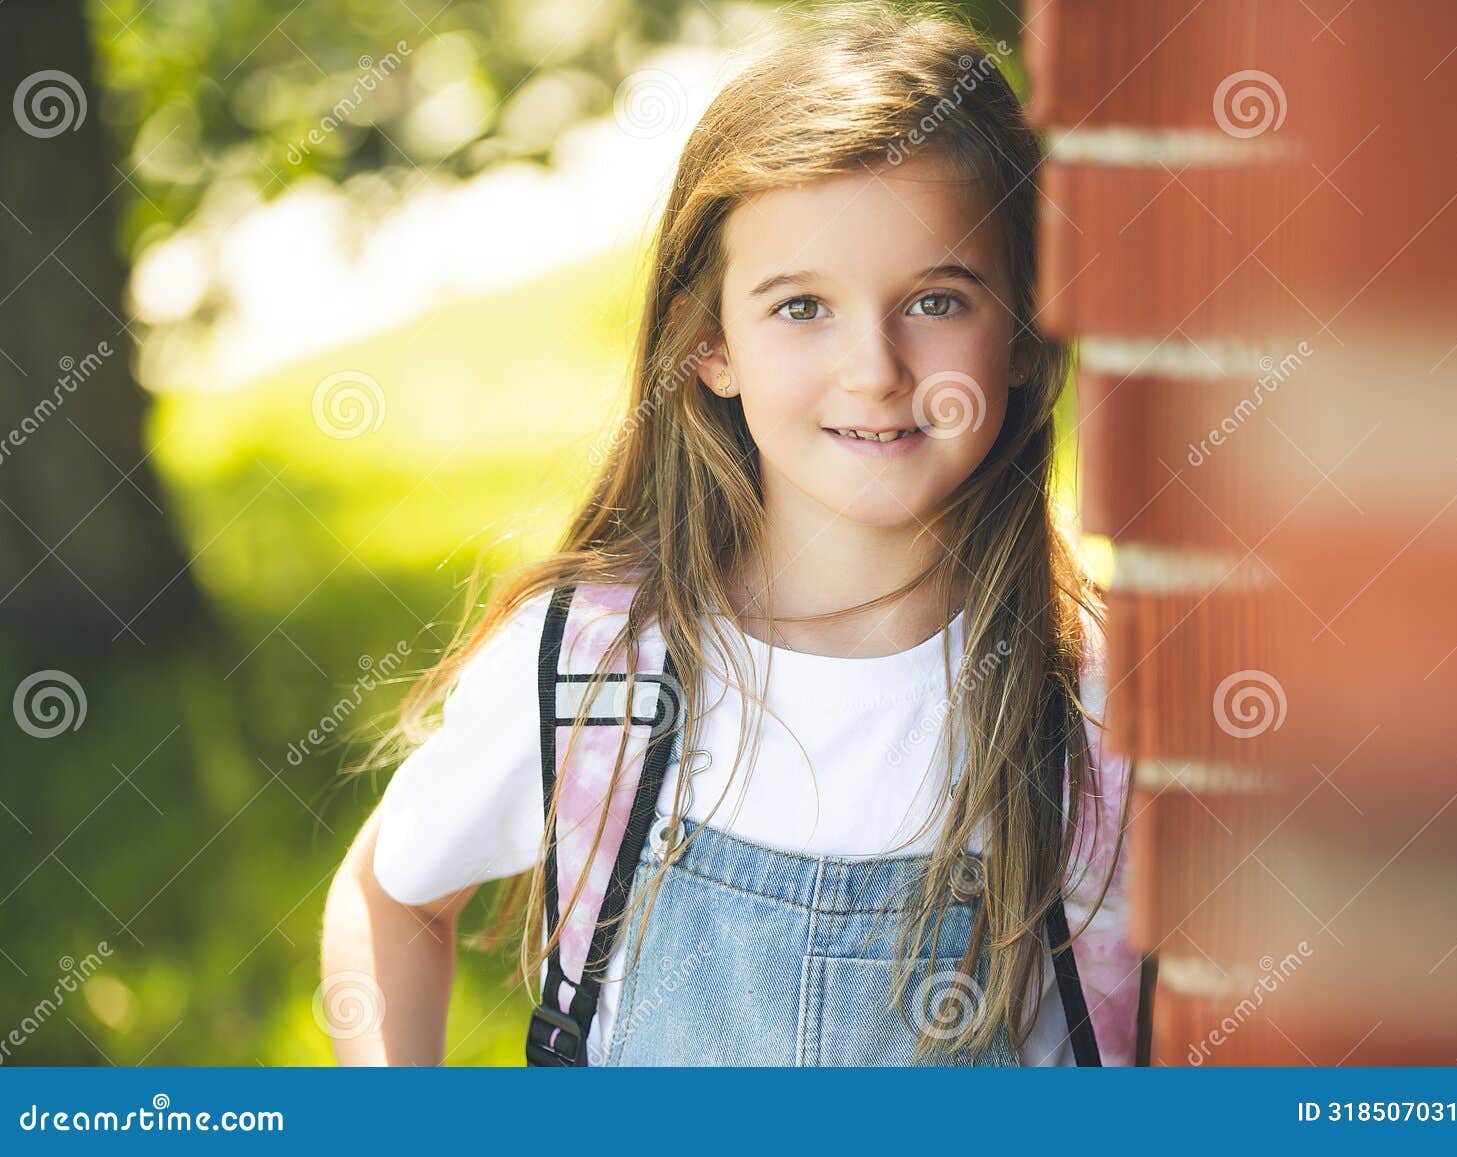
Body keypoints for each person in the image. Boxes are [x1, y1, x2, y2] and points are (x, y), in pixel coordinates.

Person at [321, 0, 1142, 1067]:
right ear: (712, 344)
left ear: (1026, 333)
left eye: (936, 300)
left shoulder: (1107, 703)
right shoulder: (593, 664)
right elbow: (390, 895)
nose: (875, 370)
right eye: (802, 307)